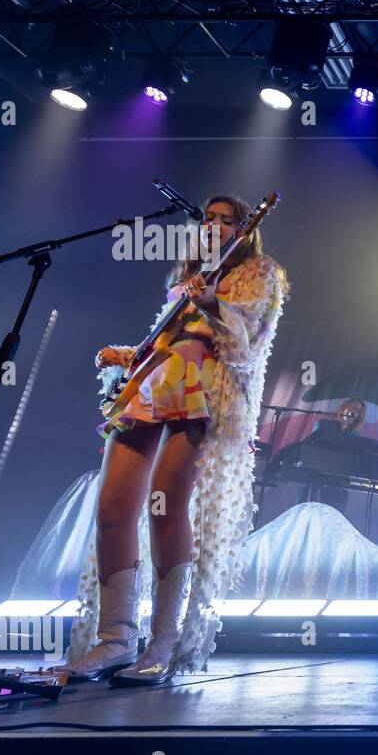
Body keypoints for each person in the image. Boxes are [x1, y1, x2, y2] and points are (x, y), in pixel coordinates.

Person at [59, 194, 287, 686]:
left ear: (246, 229)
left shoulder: (260, 273)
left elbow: (249, 346)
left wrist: (215, 304)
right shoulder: (186, 278)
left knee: (164, 506)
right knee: (113, 508)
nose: (215, 225)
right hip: (156, 383)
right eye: (208, 218)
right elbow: (162, 341)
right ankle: (115, 639)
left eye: (227, 220)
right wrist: (124, 355)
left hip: (201, 389)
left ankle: (161, 640)